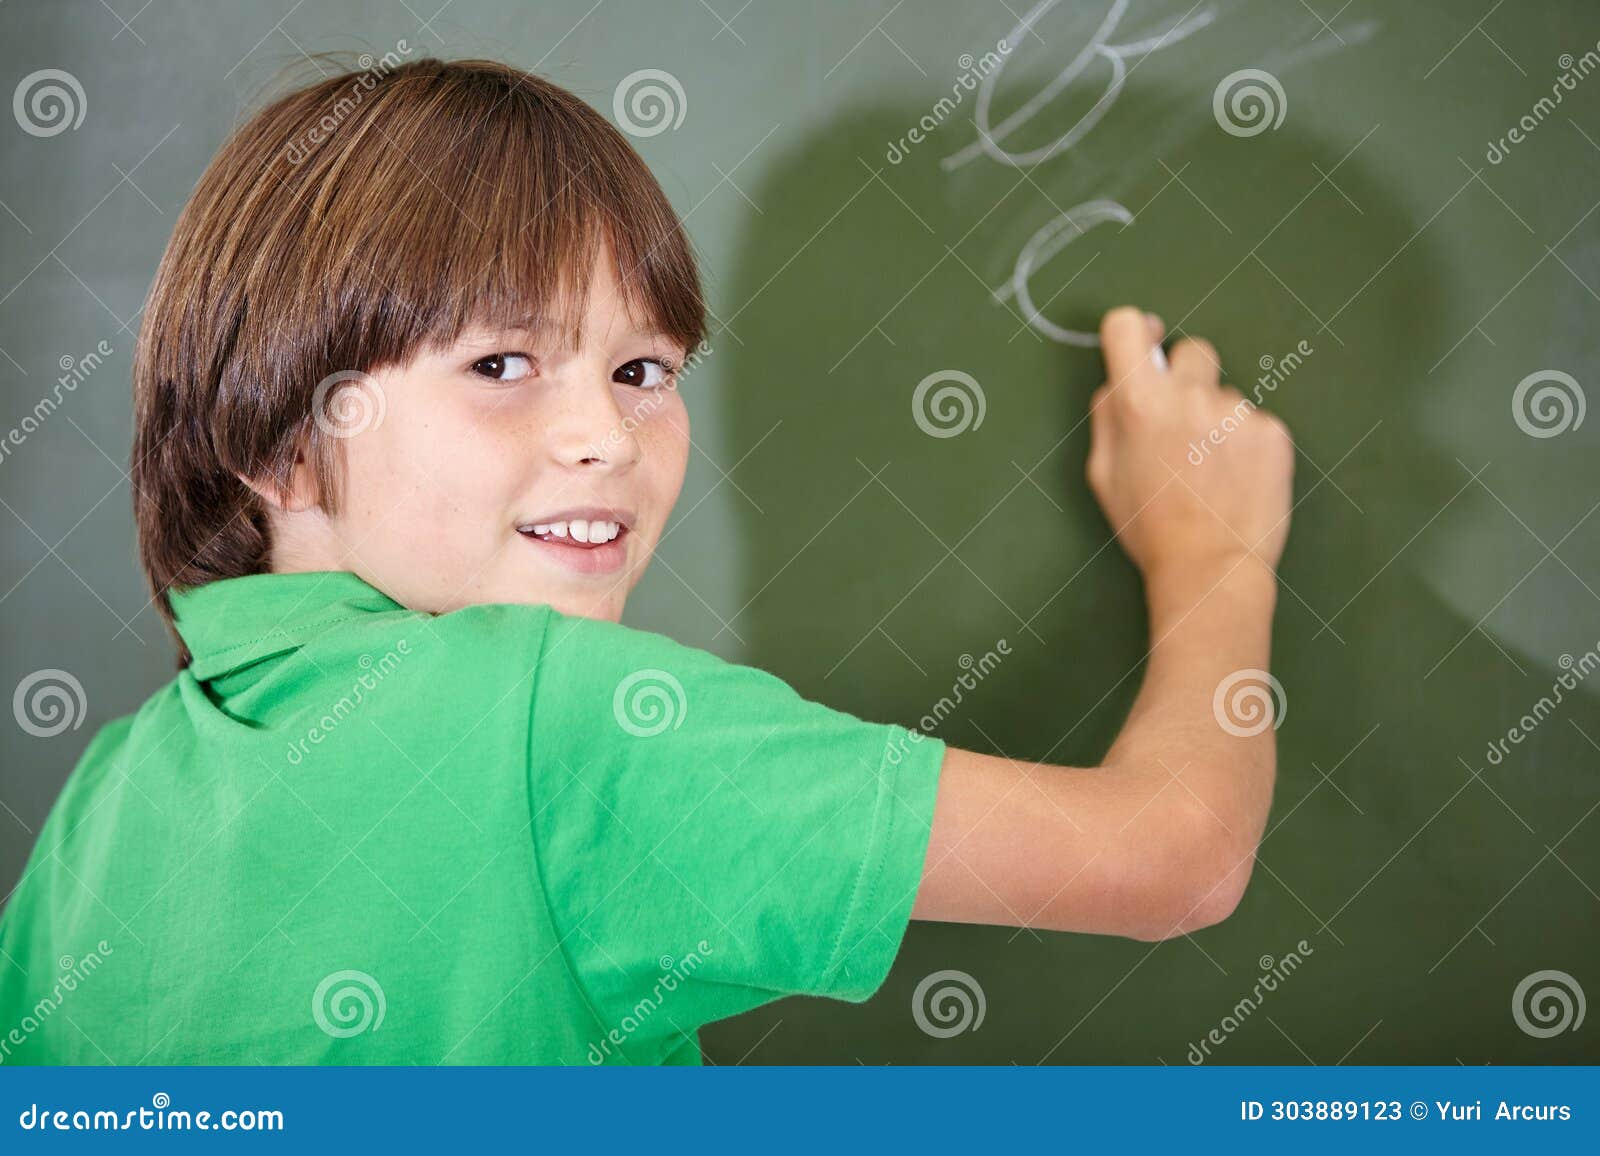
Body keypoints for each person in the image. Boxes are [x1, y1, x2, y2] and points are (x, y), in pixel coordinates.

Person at [0, 56, 1292, 1065]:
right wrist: (1216, 553)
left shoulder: (110, 796)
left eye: (642, 371)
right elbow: (1174, 859)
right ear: (277, 440)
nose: (607, 437)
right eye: (500, 363)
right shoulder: (558, 720)